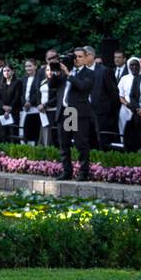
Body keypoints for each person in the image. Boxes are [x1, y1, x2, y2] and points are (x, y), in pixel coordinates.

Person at [57, 47, 95, 180]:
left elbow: (82, 86)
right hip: (67, 111)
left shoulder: (89, 73)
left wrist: (69, 74)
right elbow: (52, 86)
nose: (77, 59)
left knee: (81, 144)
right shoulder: (67, 71)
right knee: (64, 143)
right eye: (75, 57)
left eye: (80, 57)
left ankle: (83, 173)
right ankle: (67, 172)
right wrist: (56, 73)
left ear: (85, 58)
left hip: (78, 112)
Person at [117, 56, 141, 146]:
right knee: (124, 131)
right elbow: (120, 95)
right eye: (131, 65)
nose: (134, 67)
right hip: (125, 109)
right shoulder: (124, 78)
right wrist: (127, 104)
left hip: (140, 110)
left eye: (136, 65)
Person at [19, 58, 43, 144]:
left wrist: (30, 102)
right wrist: (24, 103)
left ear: (35, 66)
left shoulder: (39, 78)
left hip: (35, 108)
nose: (28, 68)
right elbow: (21, 92)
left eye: (30, 66)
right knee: (24, 129)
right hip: (25, 108)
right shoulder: (23, 78)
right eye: (26, 66)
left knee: (34, 129)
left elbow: (38, 92)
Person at [0, 64, 21, 141]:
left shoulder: (17, 82)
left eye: (8, 70)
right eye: (4, 71)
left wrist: (9, 108)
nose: (6, 72)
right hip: (1, 111)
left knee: (13, 133)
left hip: (13, 111)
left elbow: (17, 97)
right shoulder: (0, 83)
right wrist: (3, 106)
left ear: (12, 72)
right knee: (3, 134)